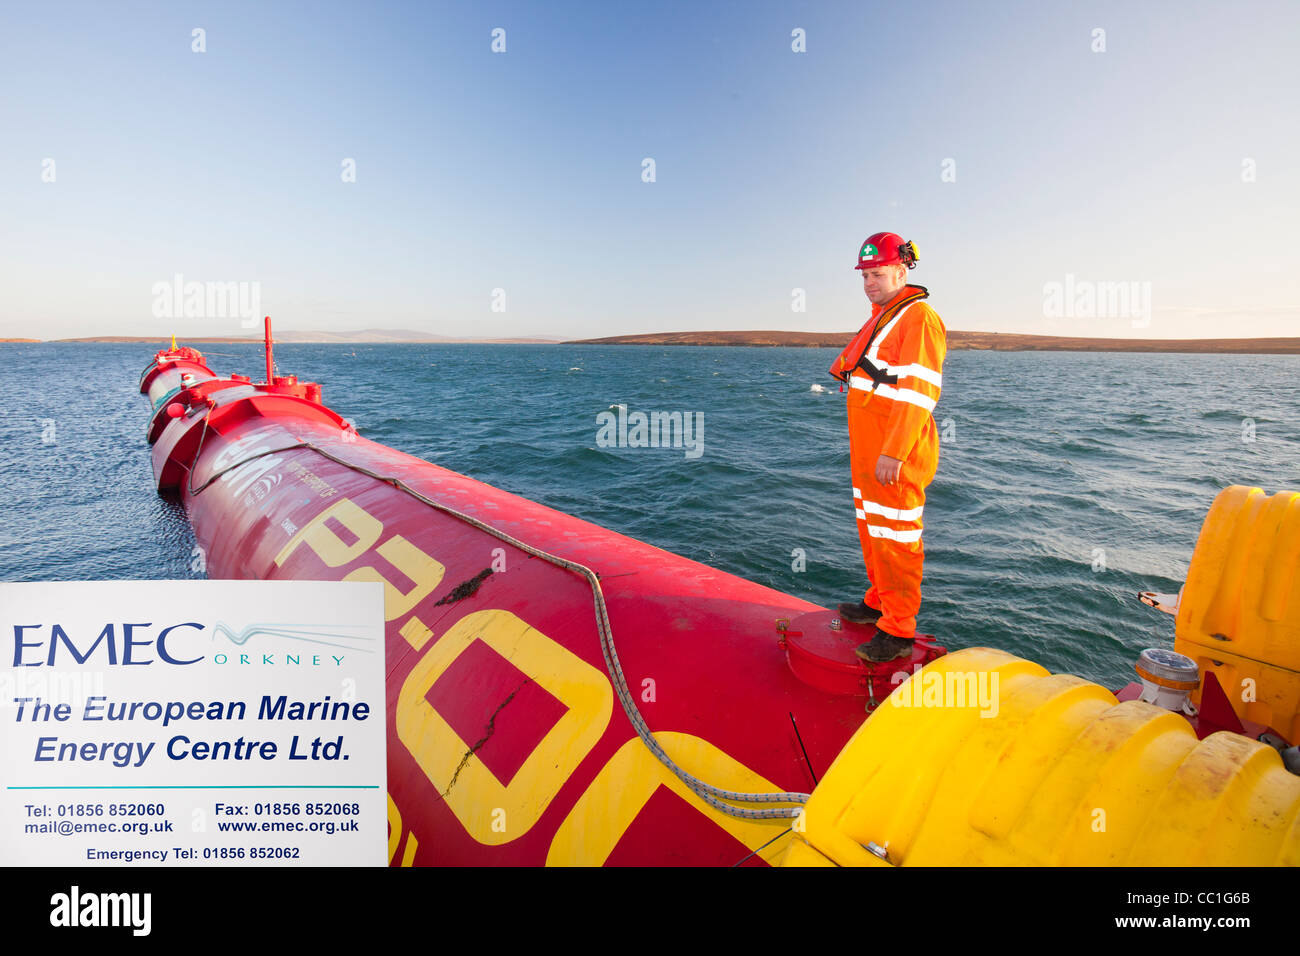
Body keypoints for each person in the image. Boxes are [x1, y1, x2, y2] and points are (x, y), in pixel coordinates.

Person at [828, 233, 946, 662]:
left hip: (894, 453)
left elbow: (919, 393)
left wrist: (894, 452)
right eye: (865, 275)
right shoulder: (885, 316)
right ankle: (878, 601)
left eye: (877, 274)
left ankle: (898, 630)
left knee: (896, 537)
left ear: (902, 271)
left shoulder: (917, 318)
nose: (869, 283)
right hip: (870, 450)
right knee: (873, 529)